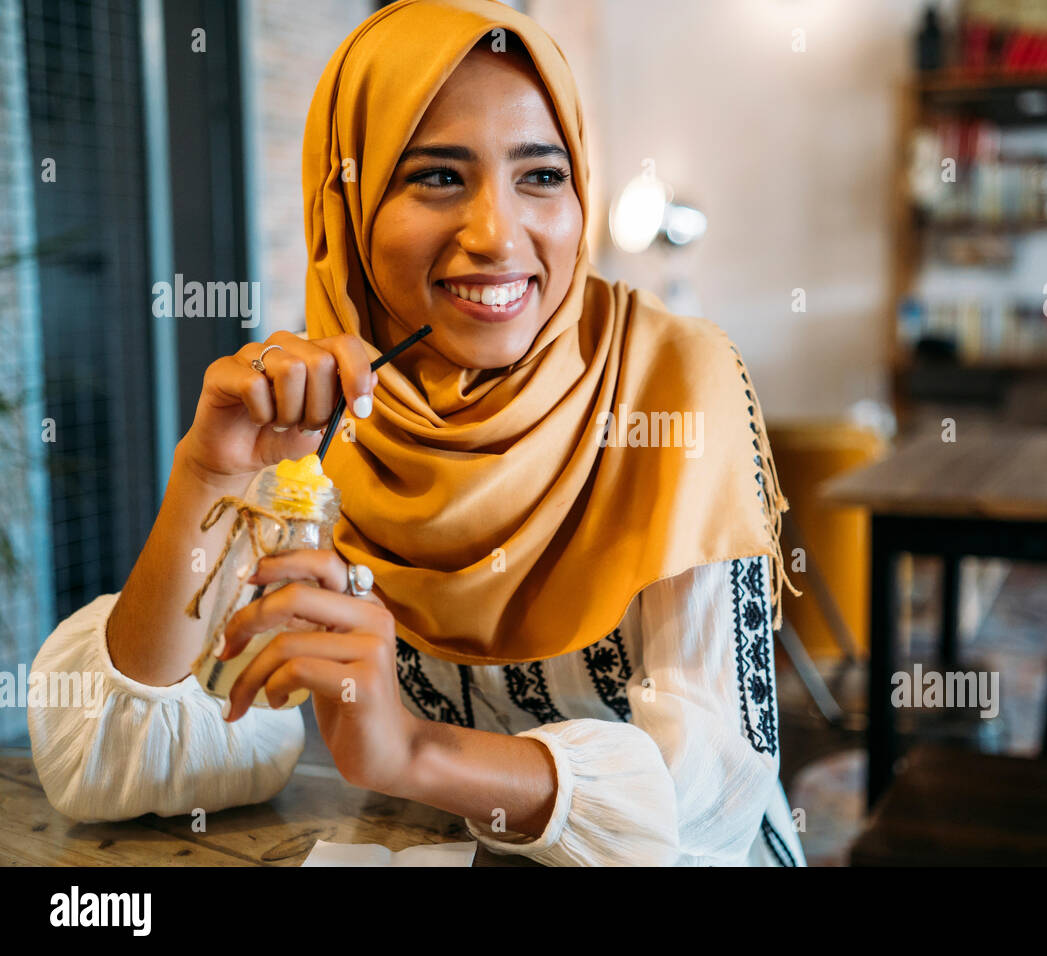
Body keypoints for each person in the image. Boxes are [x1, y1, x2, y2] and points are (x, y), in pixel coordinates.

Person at [28, 0, 806, 867]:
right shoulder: (325, 412)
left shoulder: (671, 381)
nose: (498, 235)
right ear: (346, 203)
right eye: (438, 176)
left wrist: (415, 752)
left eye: (542, 176)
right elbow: (113, 773)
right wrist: (208, 477)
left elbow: (713, 799)